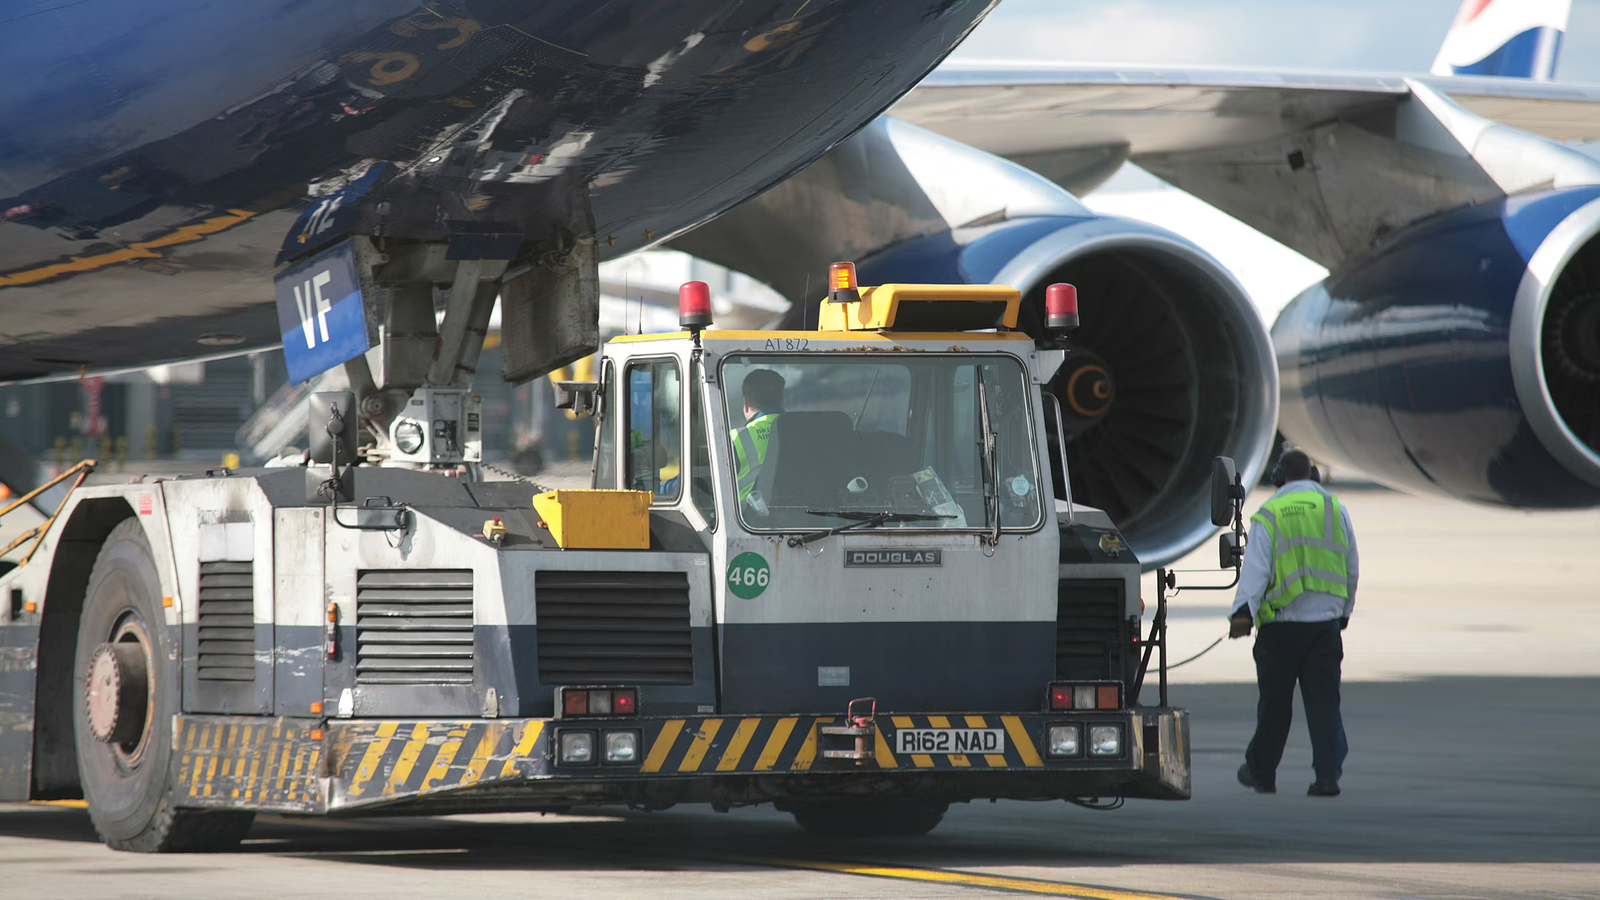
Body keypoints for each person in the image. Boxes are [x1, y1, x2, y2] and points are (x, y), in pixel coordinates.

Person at [1229, 449, 1357, 797]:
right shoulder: (1335, 510)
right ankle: (1327, 778)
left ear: (1278, 478)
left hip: (1280, 630)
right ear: (1313, 475)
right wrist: (1344, 610)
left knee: (1274, 706)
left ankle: (1262, 773)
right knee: (1324, 705)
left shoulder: (1268, 515)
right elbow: (1351, 566)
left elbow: (1256, 571)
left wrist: (1243, 612)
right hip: (1324, 628)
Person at [731, 369, 784, 502]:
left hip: (746, 520)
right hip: (809, 519)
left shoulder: (735, 439)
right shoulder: (806, 432)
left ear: (745, 403)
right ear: (782, 400)